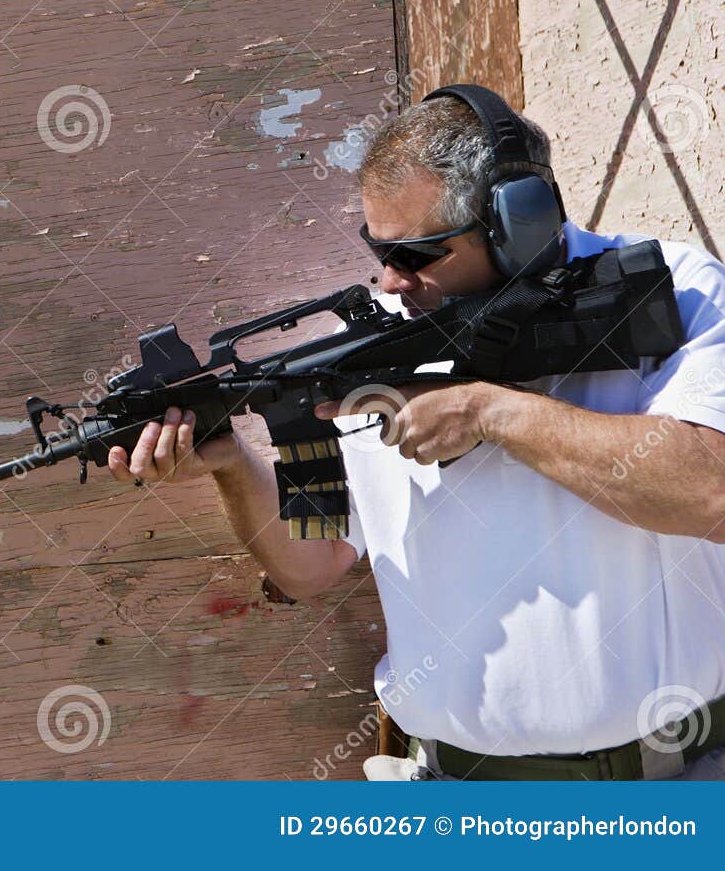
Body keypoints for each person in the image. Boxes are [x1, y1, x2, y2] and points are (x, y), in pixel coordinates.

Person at [109, 84, 725, 780]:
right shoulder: (369, 346)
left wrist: (492, 412)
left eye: (420, 255)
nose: (391, 280)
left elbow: (711, 494)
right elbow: (314, 565)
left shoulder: (677, 294)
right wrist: (228, 464)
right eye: (380, 249)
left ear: (516, 223)